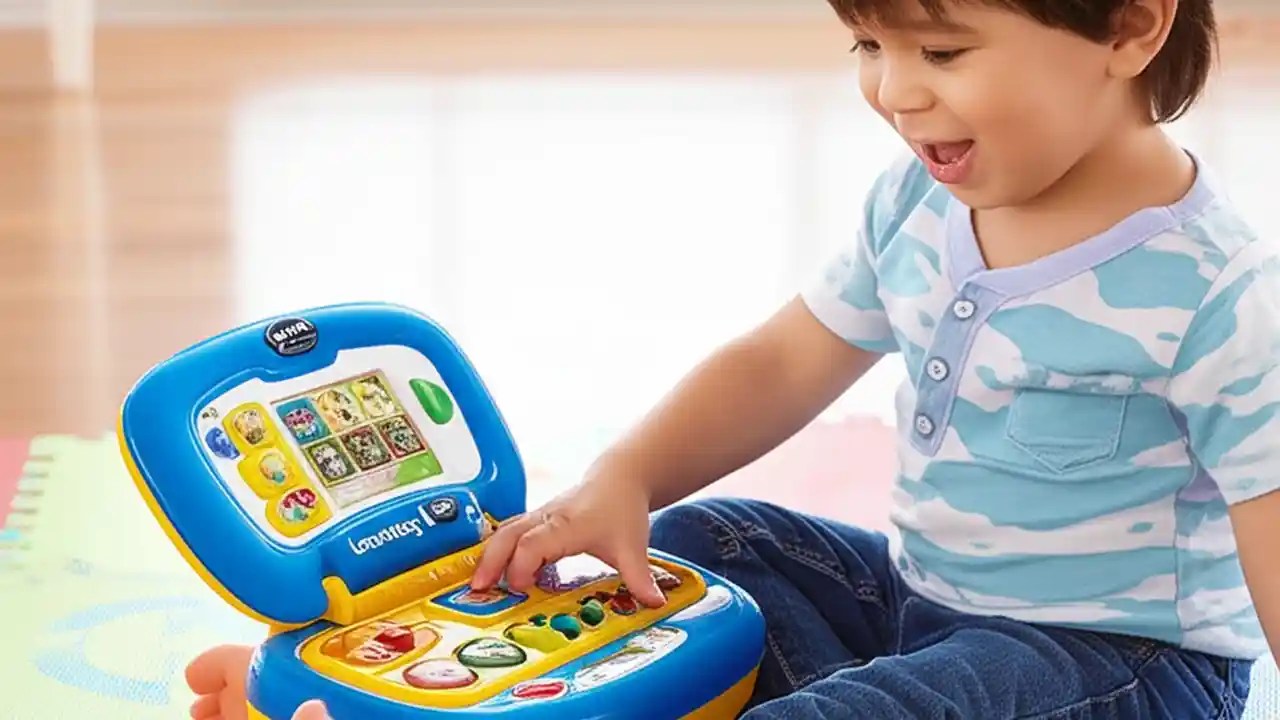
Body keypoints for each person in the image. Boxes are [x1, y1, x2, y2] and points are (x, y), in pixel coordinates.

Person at [186, 0, 1279, 718]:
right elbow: (783, 360)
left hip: (1122, 670)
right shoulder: (919, 203)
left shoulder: (1215, 291)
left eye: (940, 52)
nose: (894, 91)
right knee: (698, 545)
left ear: (1130, 28)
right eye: (868, 45)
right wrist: (625, 478)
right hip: (922, 606)